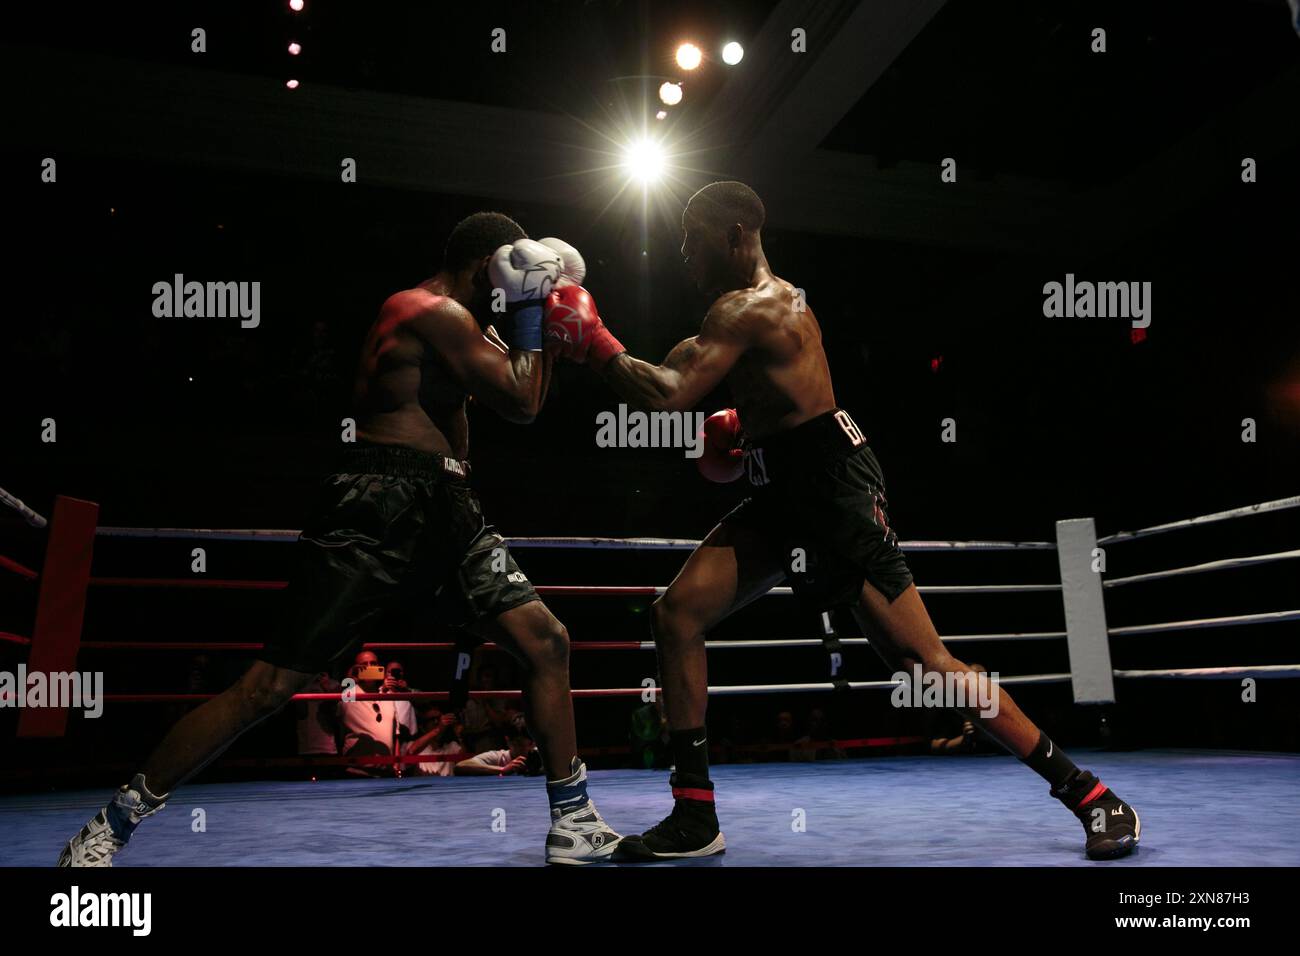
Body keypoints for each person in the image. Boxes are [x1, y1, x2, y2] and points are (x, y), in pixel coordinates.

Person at [545, 180, 1140, 861]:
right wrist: (746, 424)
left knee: (926, 664)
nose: (683, 253)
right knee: (675, 613)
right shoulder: (740, 313)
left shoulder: (755, 308)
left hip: (833, 493)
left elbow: (672, 393)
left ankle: (1090, 795)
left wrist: (590, 339)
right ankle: (694, 817)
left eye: (692, 238)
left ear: (735, 235)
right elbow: (678, 374)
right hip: (784, 494)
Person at [58, 213, 620, 866]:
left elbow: (522, 396)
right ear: (491, 264)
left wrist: (559, 331)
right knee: (267, 688)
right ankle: (115, 820)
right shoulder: (424, 309)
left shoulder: (470, 326)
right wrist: (534, 318)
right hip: (375, 506)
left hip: (451, 511)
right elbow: (524, 399)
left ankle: (573, 820)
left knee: (546, 640)